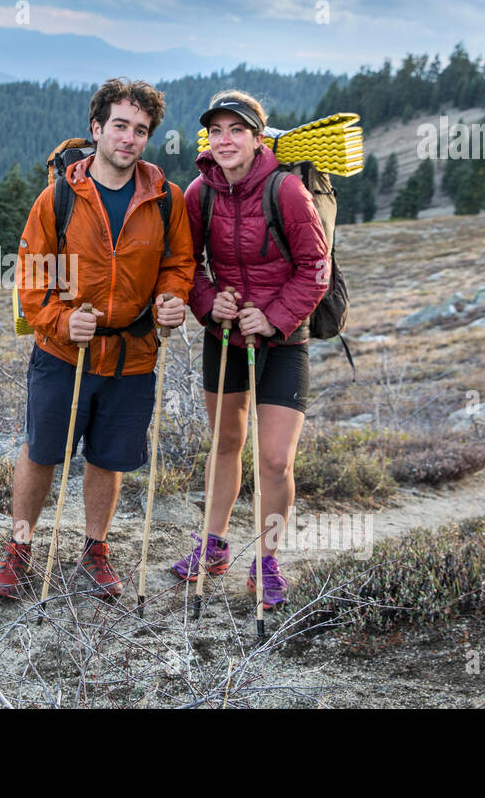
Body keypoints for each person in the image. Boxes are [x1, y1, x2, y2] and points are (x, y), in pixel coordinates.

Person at [0, 78, 195, 600]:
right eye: (120, 126)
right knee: (42, 451)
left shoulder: (166, 200)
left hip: (133, 353)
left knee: (109, 455)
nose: (128, 138)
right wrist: (61, 321)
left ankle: (95, 552)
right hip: (63, 352)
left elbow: (178, 264)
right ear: (97, 128)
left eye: (140, 130)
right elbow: (32, 280)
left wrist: (173, 299)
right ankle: (19, 550)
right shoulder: (58, 199)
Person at [172, 90, 329, 609]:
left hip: (284, 340)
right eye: (216, 131)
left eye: (236, 130)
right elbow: (184, 265)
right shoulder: (199, 194)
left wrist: (275, 317)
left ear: (258, 138)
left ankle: (267, 560)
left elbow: (316, 270)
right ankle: (214, 545)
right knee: (224, 442)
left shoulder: (285, 191)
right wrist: (207, 302)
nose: (225, 140)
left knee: (277, 458)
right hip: (225, 337)